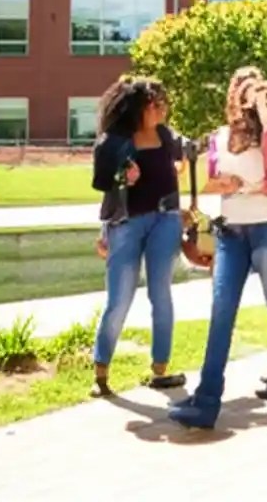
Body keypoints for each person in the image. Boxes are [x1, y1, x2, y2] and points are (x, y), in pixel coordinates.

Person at [169, 69, 267, 428]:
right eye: (240, 89)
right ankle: (206, 400)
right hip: (230, 232)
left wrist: (264, 113)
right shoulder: (219, 137)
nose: (244, 96)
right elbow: (211, 184)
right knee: (221, 311)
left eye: (253, 89)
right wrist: (222, 184)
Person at [89, 76, 187, 398]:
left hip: (165, 220)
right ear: (138, 107)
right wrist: (122, 176)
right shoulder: (113, 142)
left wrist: (187, 159)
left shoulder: (166, 136)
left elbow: (186, 153)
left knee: (161, 293)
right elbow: (102, 183)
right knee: (119, 299)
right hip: (126, 223)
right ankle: (101, 373)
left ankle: (160, 370)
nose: (162, 109)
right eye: (155, 104)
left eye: (163, 103)